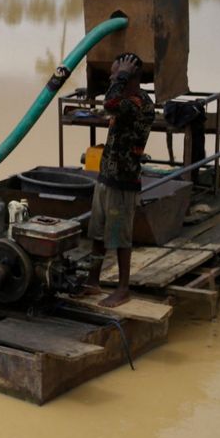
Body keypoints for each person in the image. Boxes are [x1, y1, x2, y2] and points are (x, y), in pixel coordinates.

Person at [86, 53, 155, 307]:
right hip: (107, 176)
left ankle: (123, 288)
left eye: (116, 74)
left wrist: (122, 74)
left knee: (119, 237)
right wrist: (120, 75)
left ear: (129, 77)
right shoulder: (127, 99)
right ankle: (92, 282)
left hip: (123, 180)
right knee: (97, 233)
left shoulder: (138, 103)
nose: (112, 78)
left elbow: (110, 104)